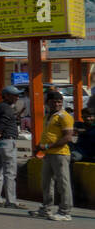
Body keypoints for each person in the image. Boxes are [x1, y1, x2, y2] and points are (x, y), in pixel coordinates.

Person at [31, 91, 74, 221]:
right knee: (46, 182)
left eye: (59, 102)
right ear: (47, 102)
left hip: (60, 154)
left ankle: (65, 211)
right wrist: (39, 147)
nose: (57, 104)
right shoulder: (48, 116)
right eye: (54, 102)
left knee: (63, 183)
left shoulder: (64, 116)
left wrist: (48, 147)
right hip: (48, 154)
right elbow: (48, 135)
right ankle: (46, 208)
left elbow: (67, 137)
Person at [0, 85, 23, 209]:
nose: (17, 97)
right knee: (10, 173)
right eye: (14, 95)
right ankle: (11, 200)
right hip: (7, 142)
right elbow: (0, 128)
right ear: (6, 96)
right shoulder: (7, 109)